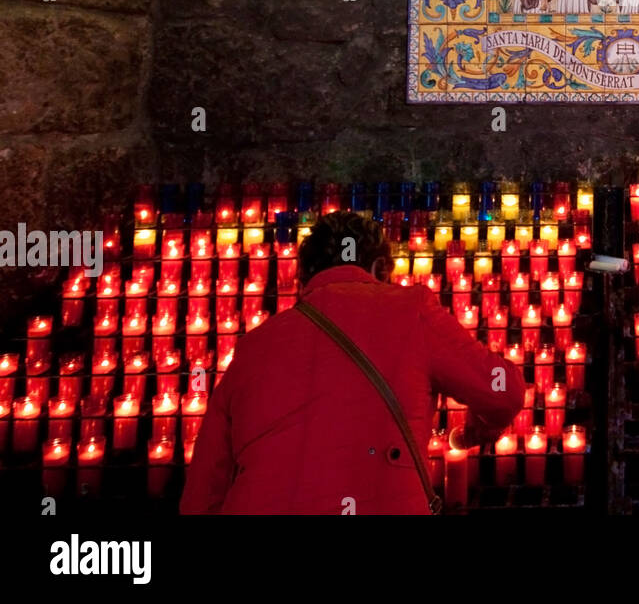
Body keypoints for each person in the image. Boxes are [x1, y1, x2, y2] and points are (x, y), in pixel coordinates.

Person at [181, 212, 524, 514]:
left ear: (303, 280)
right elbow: (504, 391)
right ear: (377, 267)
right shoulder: (410, 309)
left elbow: (202, 494)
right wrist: (474, 432)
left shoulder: (251, 347)